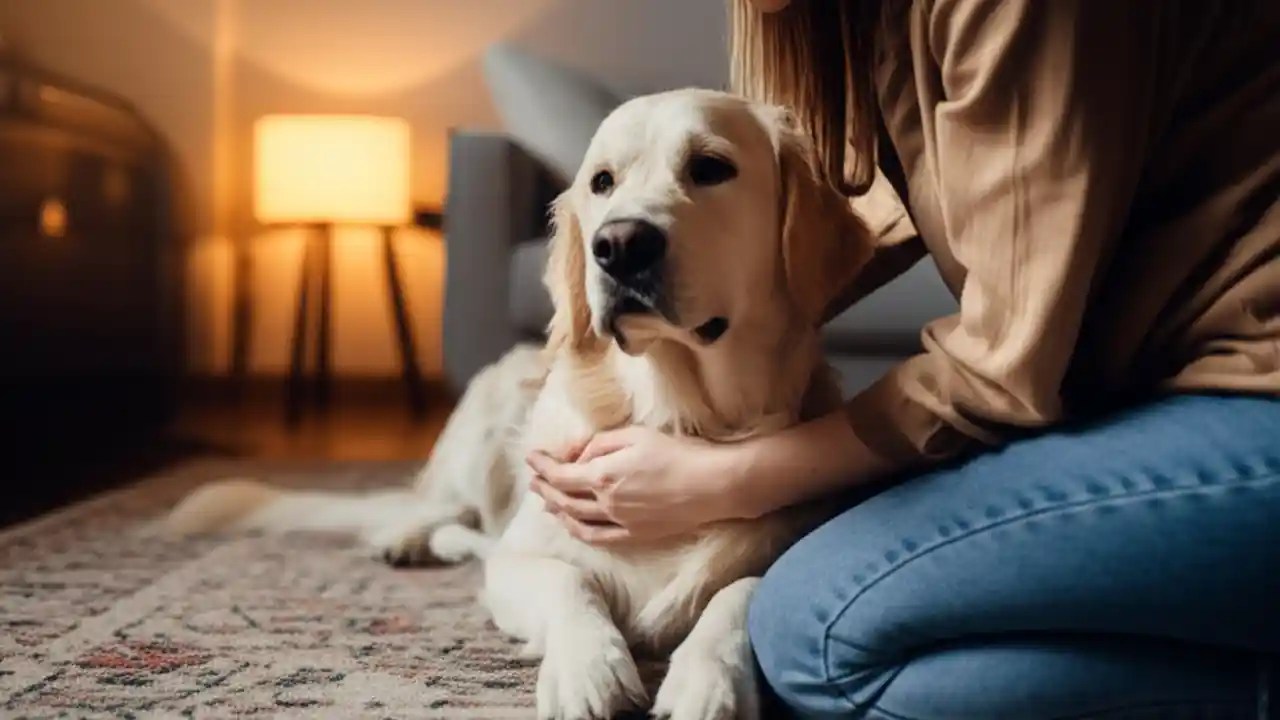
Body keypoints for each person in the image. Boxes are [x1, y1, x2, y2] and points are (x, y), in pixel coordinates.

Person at [525, 0, 1280, 716]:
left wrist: (727, 478)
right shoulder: (834, 19)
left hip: (1248, 400)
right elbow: (866, 203)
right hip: (1150, 397)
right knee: (823, 620)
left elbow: (1004, 364)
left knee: (810, 634)